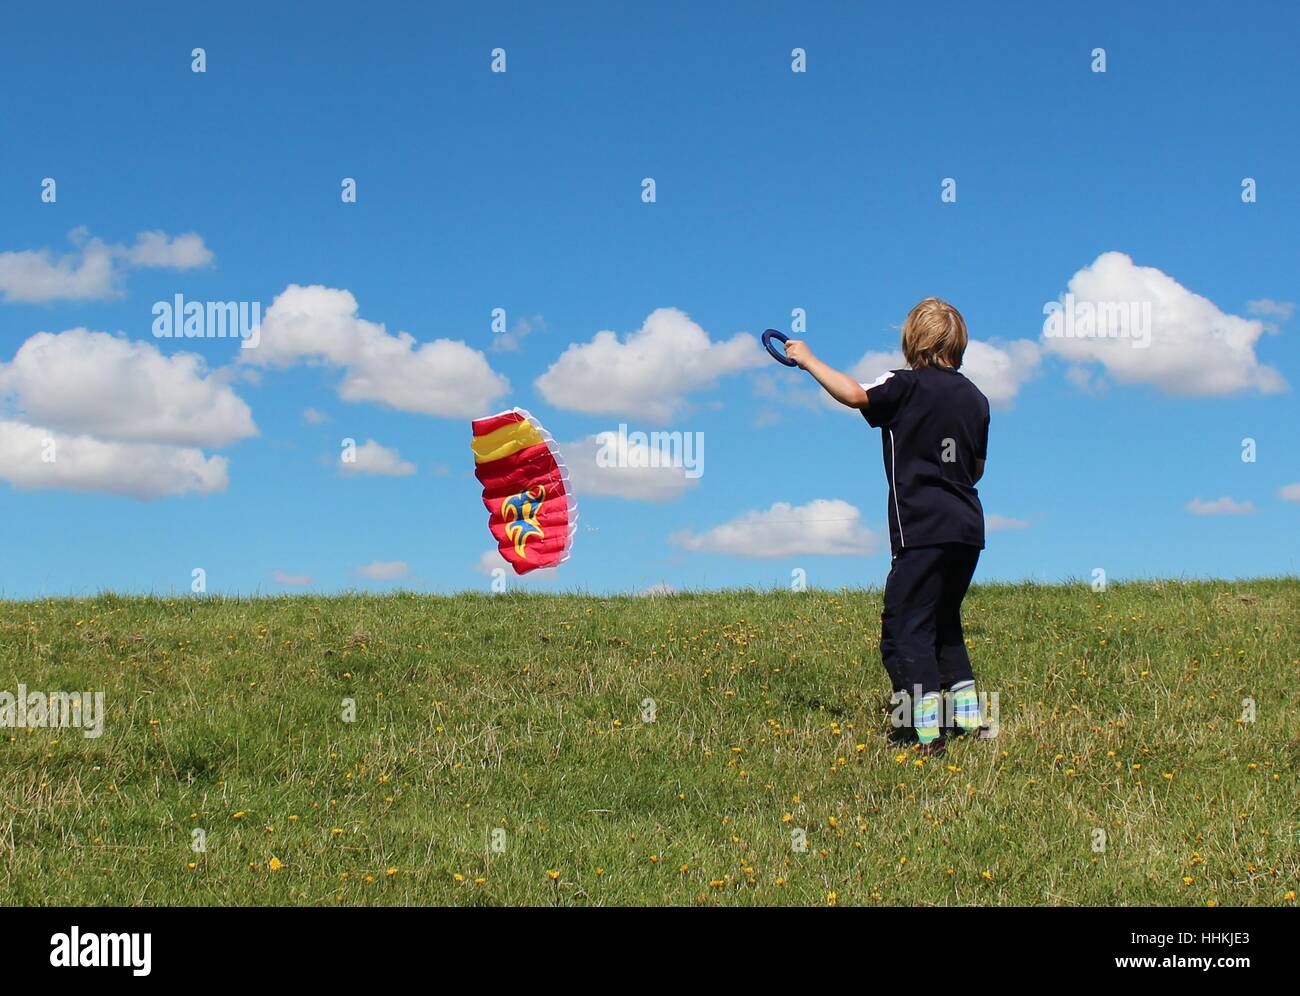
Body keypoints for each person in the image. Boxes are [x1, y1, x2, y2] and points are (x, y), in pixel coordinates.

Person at [782, 298, 989, 753]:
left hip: (921, 530)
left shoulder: (903, 384)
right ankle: (971, 722)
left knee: (905, 627)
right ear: (959, 345)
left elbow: (855, 395)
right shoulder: (976, 398)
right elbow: (975, 468)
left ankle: (927, 734)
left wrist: (808, 359)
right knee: (944, 621)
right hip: (967, 530)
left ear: (912, 340)